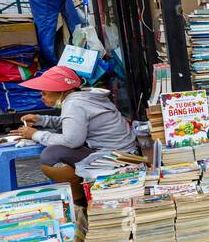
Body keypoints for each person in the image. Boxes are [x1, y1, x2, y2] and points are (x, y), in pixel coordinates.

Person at [8, 65, 137, 201]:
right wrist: (41, 120)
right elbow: (73, 123)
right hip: (124, 149)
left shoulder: (74, 104)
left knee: (50, 155)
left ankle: (80, 201)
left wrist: (35, 134)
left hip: (117, 157)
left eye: (45, 93)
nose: (42, 98)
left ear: (61, 92)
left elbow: (72, 140)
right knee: (54, 148)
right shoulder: (83, 96)